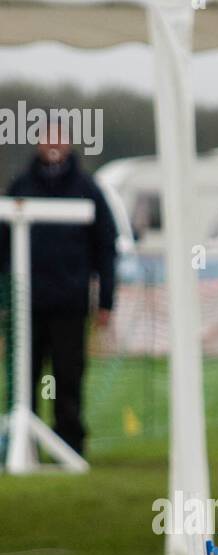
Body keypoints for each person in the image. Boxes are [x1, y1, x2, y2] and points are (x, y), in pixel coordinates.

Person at [0, 137, 117, 462]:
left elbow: (106, 245)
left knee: (67, 375)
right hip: (26, 306)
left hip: (69, 303)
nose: (52, 145)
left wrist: (106, 299)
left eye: (58, 138)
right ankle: (21, 446)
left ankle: (69, 445)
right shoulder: (21, 185)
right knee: (22, 375)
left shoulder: (87, 188)